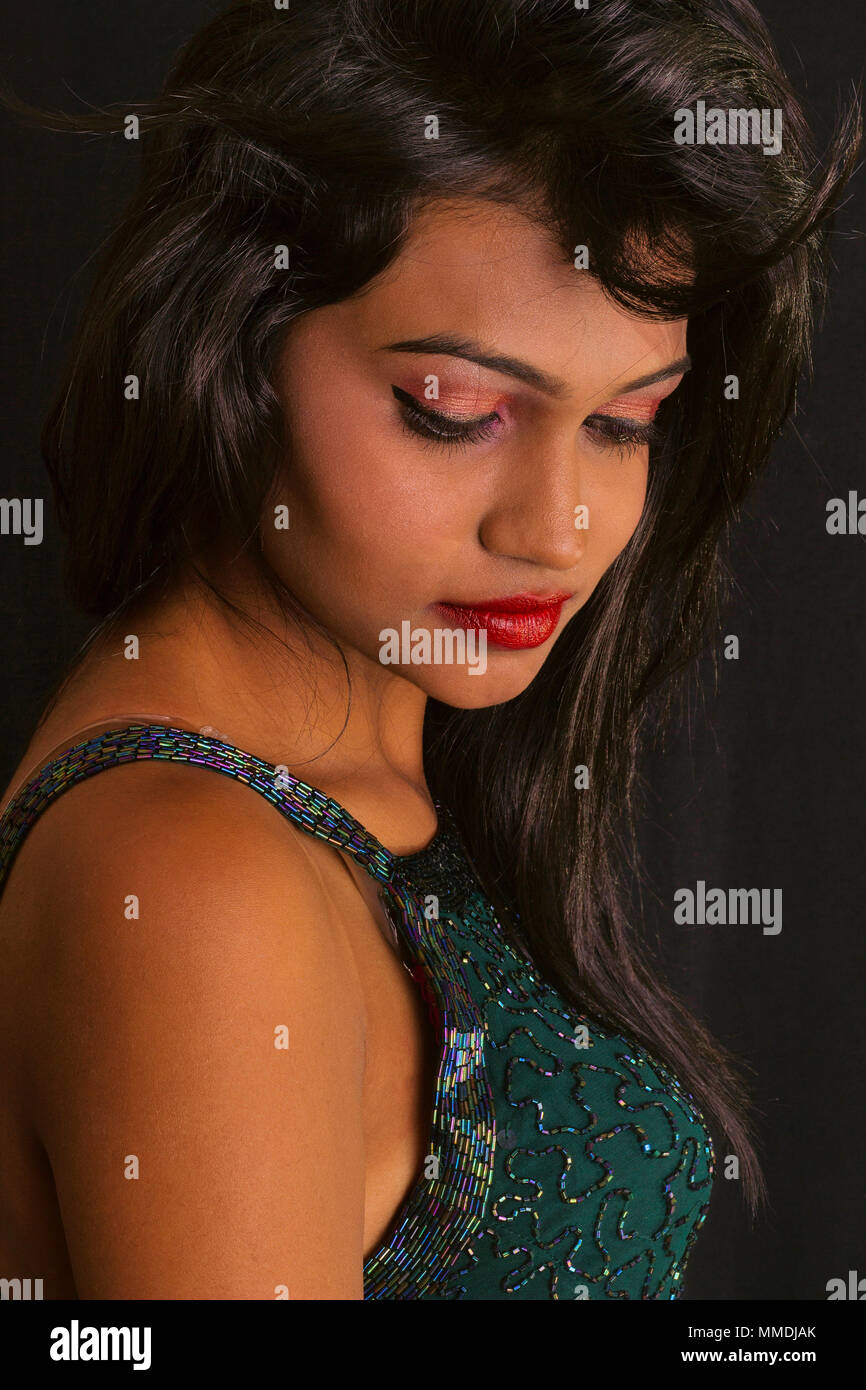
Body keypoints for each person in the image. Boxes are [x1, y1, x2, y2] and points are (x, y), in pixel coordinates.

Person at [0, 0, 858, 1299]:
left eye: (626, 422)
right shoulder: (187, 876)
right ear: (229, 343)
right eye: (451, 410)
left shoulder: (389, 742)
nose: (558, 527)